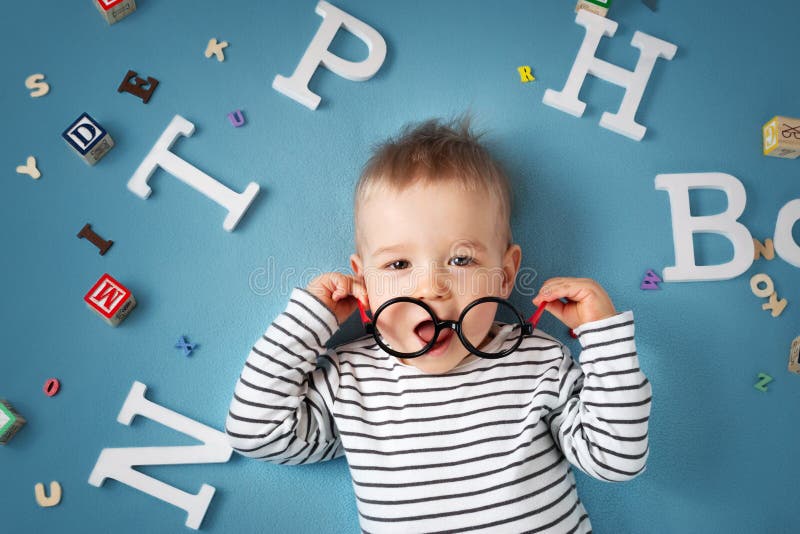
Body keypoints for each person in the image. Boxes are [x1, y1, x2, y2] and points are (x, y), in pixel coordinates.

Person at [225, 116, 651, 533]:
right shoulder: (350, 382)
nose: (431, 287)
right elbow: (256, 432)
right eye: (398, 263)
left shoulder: (539, 361)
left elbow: (617, 460)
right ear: (365, 282)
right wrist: (310, 319)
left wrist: (604, 338)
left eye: (461, 259)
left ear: (504, 276)